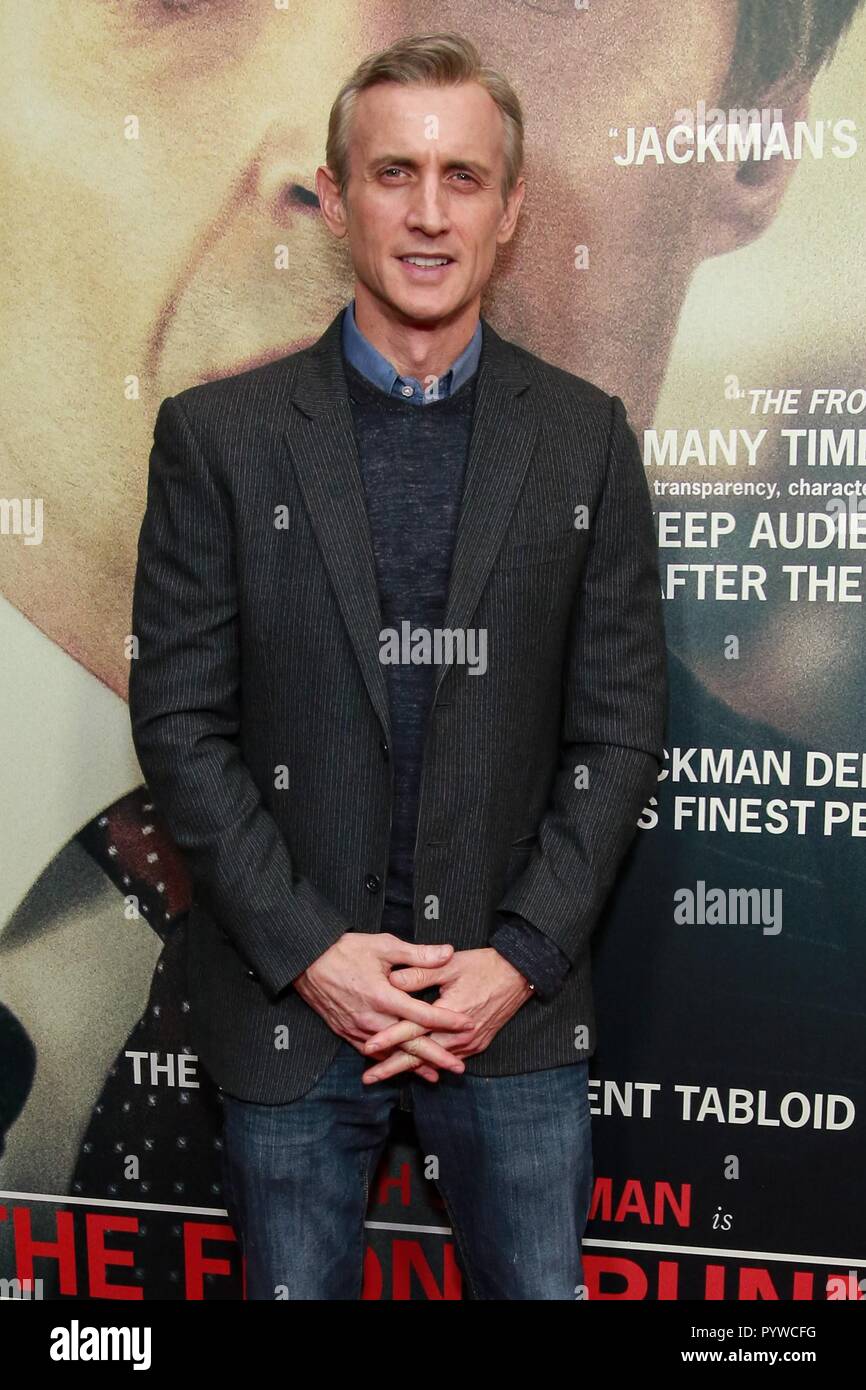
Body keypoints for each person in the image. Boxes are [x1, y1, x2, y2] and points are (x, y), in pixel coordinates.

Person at [128, 31, 668, 1301]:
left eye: (462, 178)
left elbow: (619, 722)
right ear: (335, 190)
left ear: (510, 208)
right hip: (291, 1009)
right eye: (393, 173)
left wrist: (518, 957)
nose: (427, 214)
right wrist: (315, 950)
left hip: (513, 1018)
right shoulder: (219, 440)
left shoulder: (583, 442)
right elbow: (182, 723)